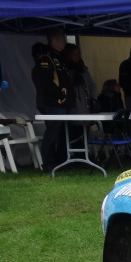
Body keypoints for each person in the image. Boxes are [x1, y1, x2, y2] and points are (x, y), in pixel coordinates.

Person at [31, 34, 69, 171]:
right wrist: (59, 95)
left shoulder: (57, 57)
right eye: (62, 40)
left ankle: (60, 160)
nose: (64, 43)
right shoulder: (46, 60)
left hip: (59, 102)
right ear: (55, 40)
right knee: (52, 131)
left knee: (59, 132)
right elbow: (47, 83)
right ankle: (47, 162)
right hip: (52, 103)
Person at [61, 43, 96, 114]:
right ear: (68, 55)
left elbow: (91, 85)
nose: (77, 56)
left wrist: (93, 99)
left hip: (86, 104)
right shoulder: (64, 70)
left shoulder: (83, 69)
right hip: (73, 106)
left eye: (78, 54)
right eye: (74, 54)